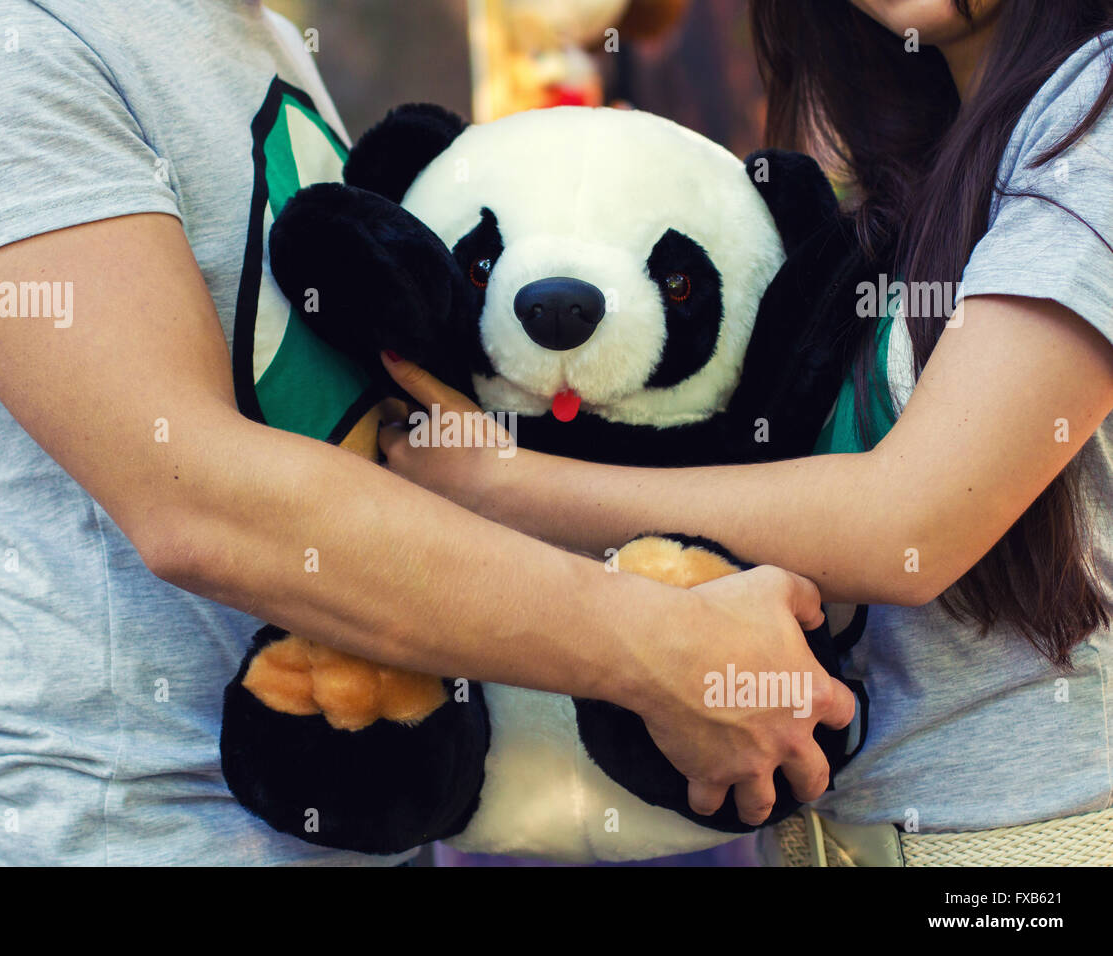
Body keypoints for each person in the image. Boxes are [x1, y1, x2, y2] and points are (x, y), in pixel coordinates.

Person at [0, 0, 854, 866]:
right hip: (139, 832)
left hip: (368, 810)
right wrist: (656, 643)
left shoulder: (263, 41)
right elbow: (193, 496)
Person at [381, 0, 1113, 865]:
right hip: (832, 836)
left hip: (1019, 851)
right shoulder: (939, 141)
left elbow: (913, 522)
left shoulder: (1092, 113)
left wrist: (498, 482)